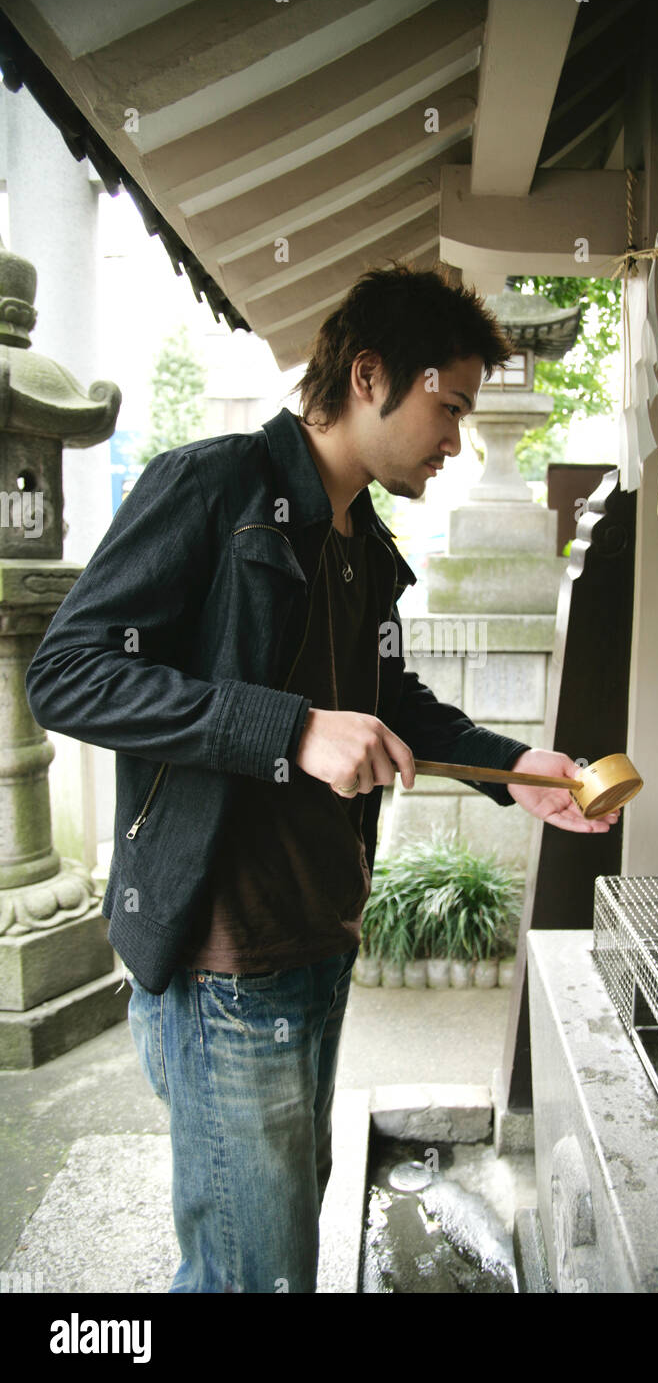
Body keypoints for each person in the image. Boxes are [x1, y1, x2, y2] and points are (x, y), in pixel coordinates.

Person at [25, 263, 618, 1294]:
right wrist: (289, 729)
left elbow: (389, 701)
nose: (454, 439)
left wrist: (509, 767)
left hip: (314, 944)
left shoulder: (362, 542)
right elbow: (69, 674)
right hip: (225, 961)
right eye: (448, 406)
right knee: (255, 1278)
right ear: (369, 372)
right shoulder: (210, 487)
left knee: (274, 1251)